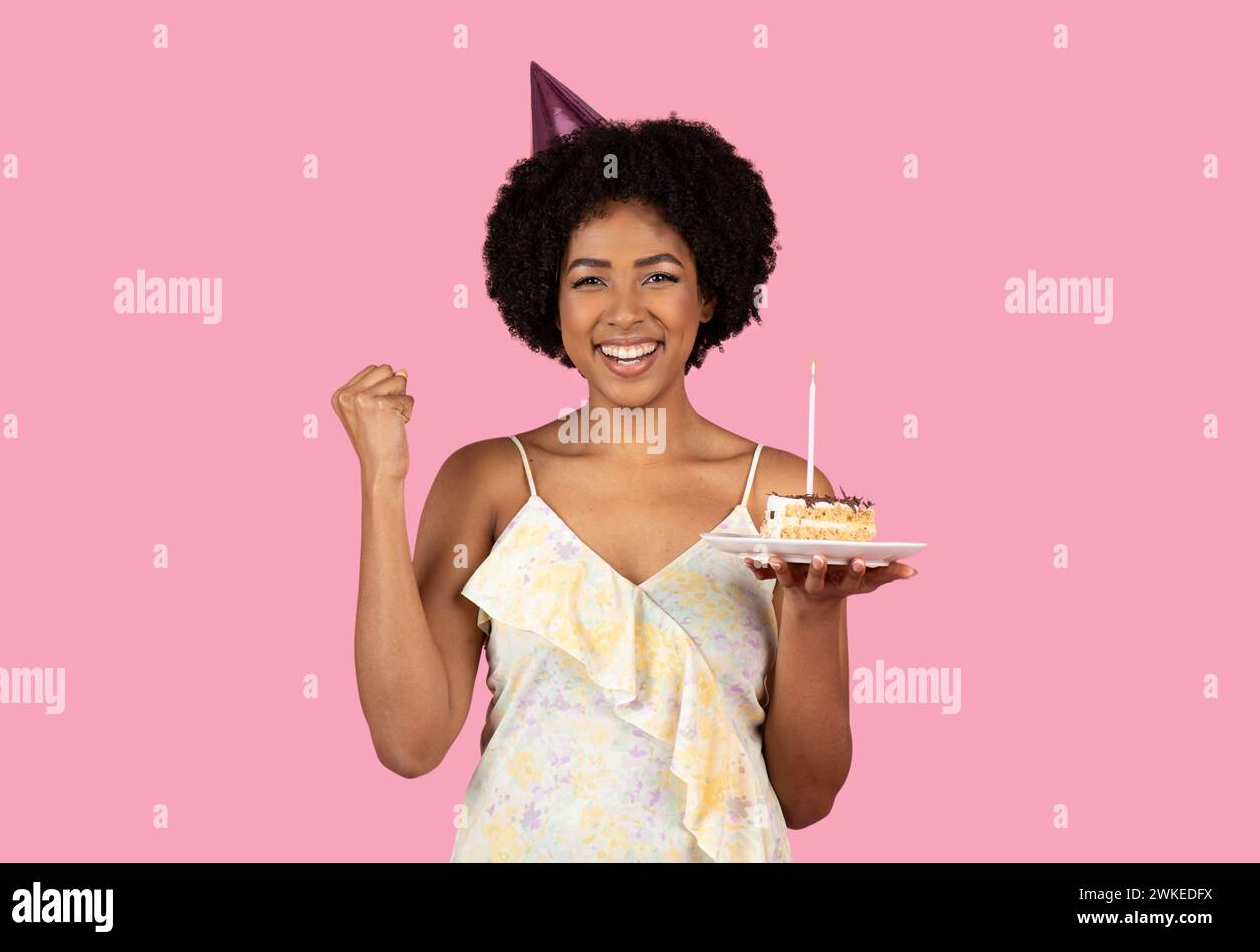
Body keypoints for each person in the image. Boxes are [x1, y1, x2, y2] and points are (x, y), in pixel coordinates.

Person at [332, 67, 917, 862]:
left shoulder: (781, 494)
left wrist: (814, 611)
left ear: (708, 295)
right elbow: (409, 744)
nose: (624, 311)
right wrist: (381, 482)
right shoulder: (491, 483)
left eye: (660, 277)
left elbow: (806, 800)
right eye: (590, 280)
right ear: (551, 299)